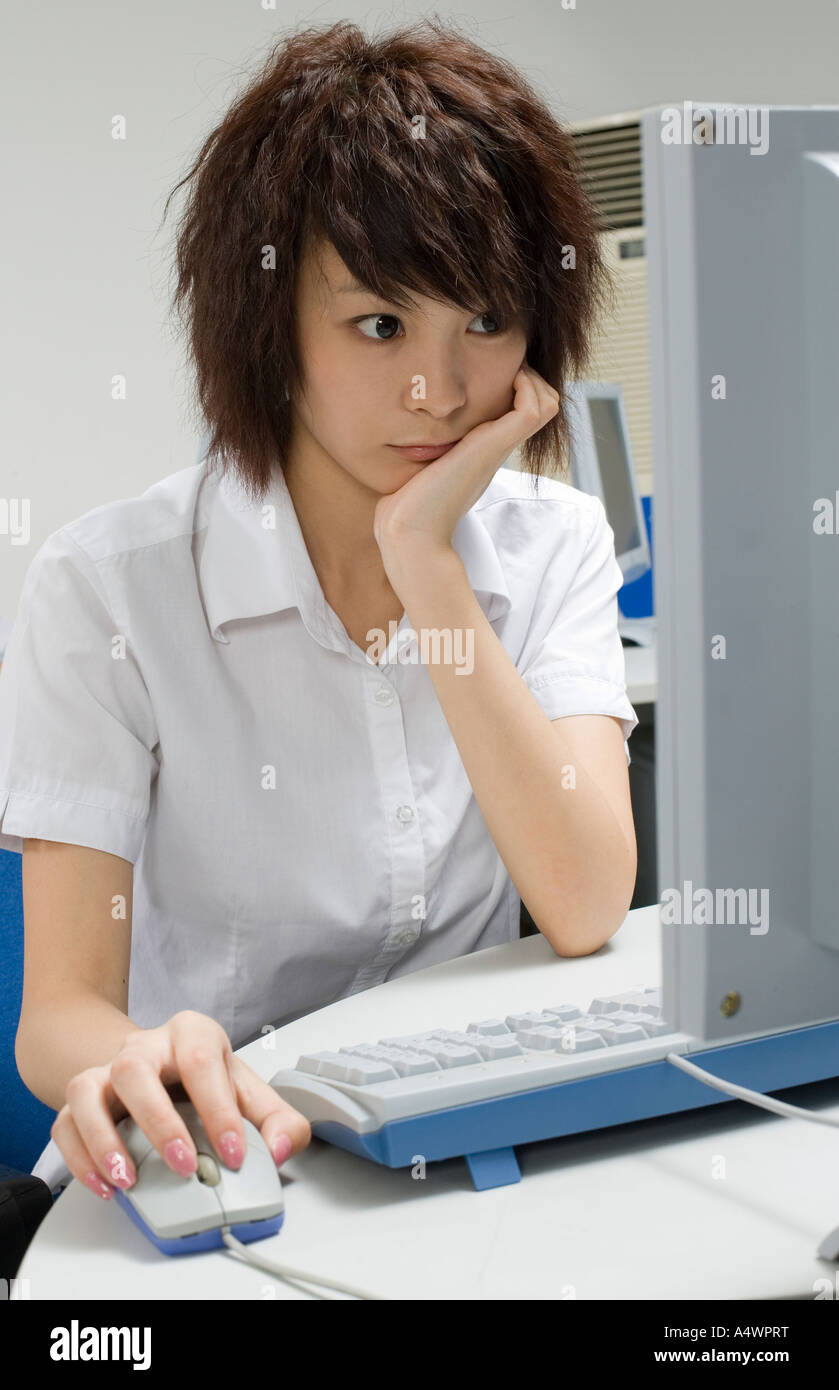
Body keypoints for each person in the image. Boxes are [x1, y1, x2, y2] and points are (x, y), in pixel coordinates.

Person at [1, 18, 638, 1204]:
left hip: (460, 1148)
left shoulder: (552, 546)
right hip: (213, 1158)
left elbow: (585, 897)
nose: (439, 393)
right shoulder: (109, 589)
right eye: (379, 324)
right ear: (271, 330)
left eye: (486, 324)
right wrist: (143, 1059)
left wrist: (426, 562)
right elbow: (56, 1019)